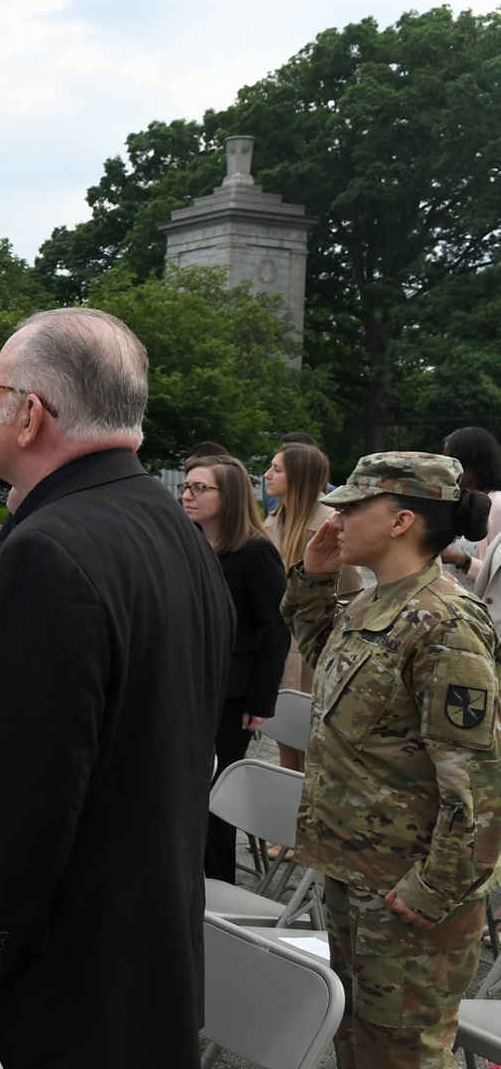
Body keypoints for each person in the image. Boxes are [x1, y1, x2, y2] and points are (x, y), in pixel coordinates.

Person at [0, 309, 235, 1069]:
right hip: (127, 955)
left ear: (31, 415)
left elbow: (19, 792)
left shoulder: (49, 549)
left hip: (47, 983)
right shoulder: (169, 531)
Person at [286, 452, 501, 1067]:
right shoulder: (377, 604)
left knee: (402, 1055)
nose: (337, 516)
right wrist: (315, 578)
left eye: (355, 506)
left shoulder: (445, 625)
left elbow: (479, 783)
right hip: (357, 870)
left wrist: (432, 889)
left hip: (407, 891)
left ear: (402, 520)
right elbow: (331, 668)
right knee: (356, 1044)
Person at [180, 454, 290, 880]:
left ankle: (216, 882)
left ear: (230, 497)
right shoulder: (189, 541)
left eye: (199, 489)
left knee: (214, 798)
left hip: (232, 692)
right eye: (186, 487)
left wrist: (262, 699)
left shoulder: (255, 551)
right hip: (190, 683)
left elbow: (274, 629)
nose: (187, 496)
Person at [263, 440, 359, 770]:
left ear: (300, 475)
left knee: (309, 747)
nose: (266, 475)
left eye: (276, 469)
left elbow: (351, 591)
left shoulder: (330, 526)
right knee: (283, 742)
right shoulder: (274, 519)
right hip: (278, 644)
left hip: (313, 648)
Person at [441, 426, 501, 592]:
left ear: (474, 465)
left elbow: (497, 574)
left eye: (452, 463)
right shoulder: (456, 502)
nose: (447, 471)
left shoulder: (497, 506)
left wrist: (460, 560)